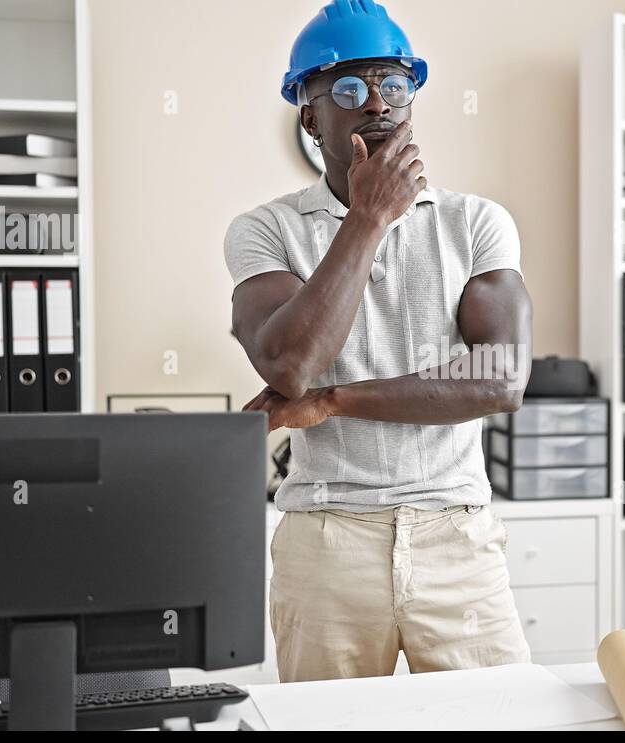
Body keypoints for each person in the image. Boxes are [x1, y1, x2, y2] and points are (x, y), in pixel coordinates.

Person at [225, 0, 534, 682]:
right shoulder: (265, 231)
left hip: (457, 535)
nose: (377, 104)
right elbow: (289, 363)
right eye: (349, 88)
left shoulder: (478, 222)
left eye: (394, 85)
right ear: (310, 116)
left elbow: (501, 379)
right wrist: (368, 216)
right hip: (328, 540)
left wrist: (335, 401)